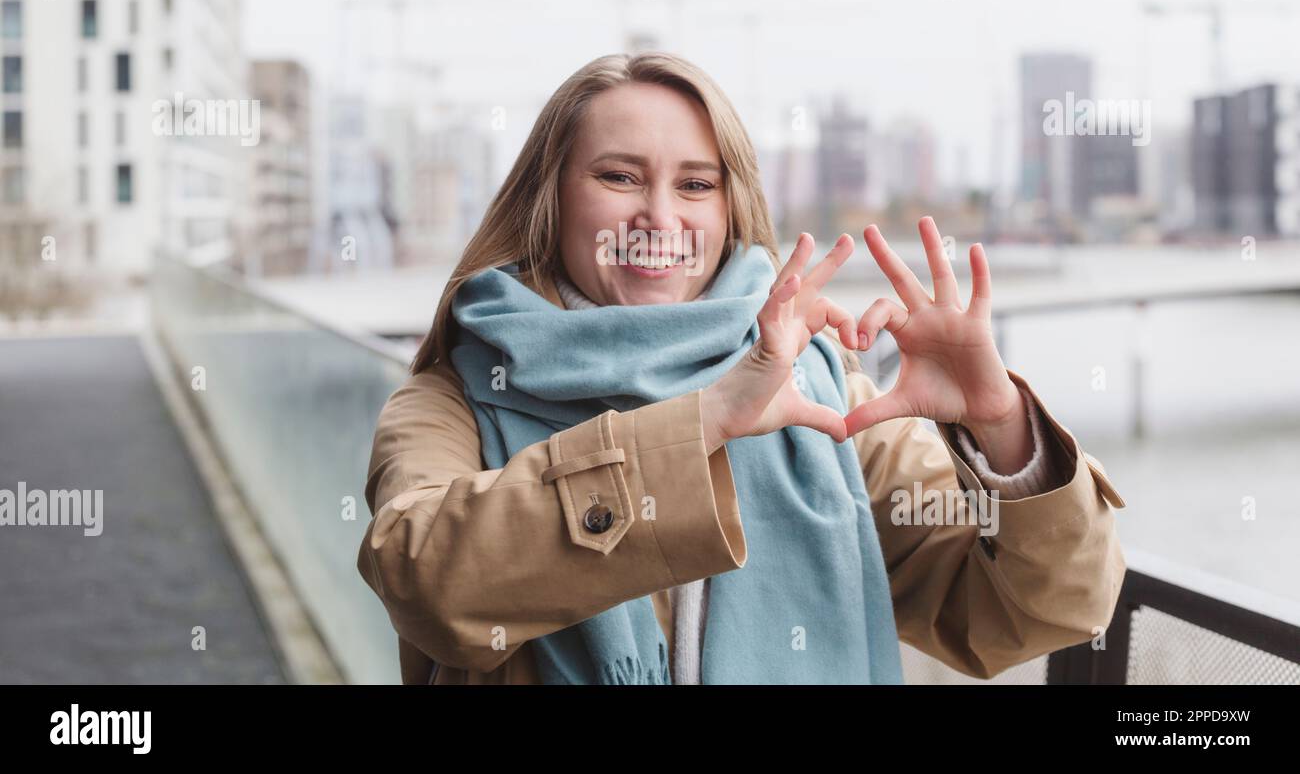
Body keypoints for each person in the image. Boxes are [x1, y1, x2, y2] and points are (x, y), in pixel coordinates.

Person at [356, 51, 1127, 685]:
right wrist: (702, 424)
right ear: (550, 201)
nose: (660, 217)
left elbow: (1034, 612)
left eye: (696, 185)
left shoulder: (819, 394)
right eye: (619, 177)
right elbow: (425, 582)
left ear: (730, 212)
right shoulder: (450, 399)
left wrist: (1000, 430)